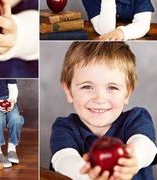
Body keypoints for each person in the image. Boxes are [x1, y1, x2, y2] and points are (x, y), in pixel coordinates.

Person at [50, 41, 157, 180]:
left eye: (112, 87)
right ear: (69, 91)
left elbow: (146, 145)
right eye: (87, 87)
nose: (99, 98)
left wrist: (133, 158)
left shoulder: (136, 119)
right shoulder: (64, 128)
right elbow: (63, 160)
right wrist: (87, 173)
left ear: (127, 93)